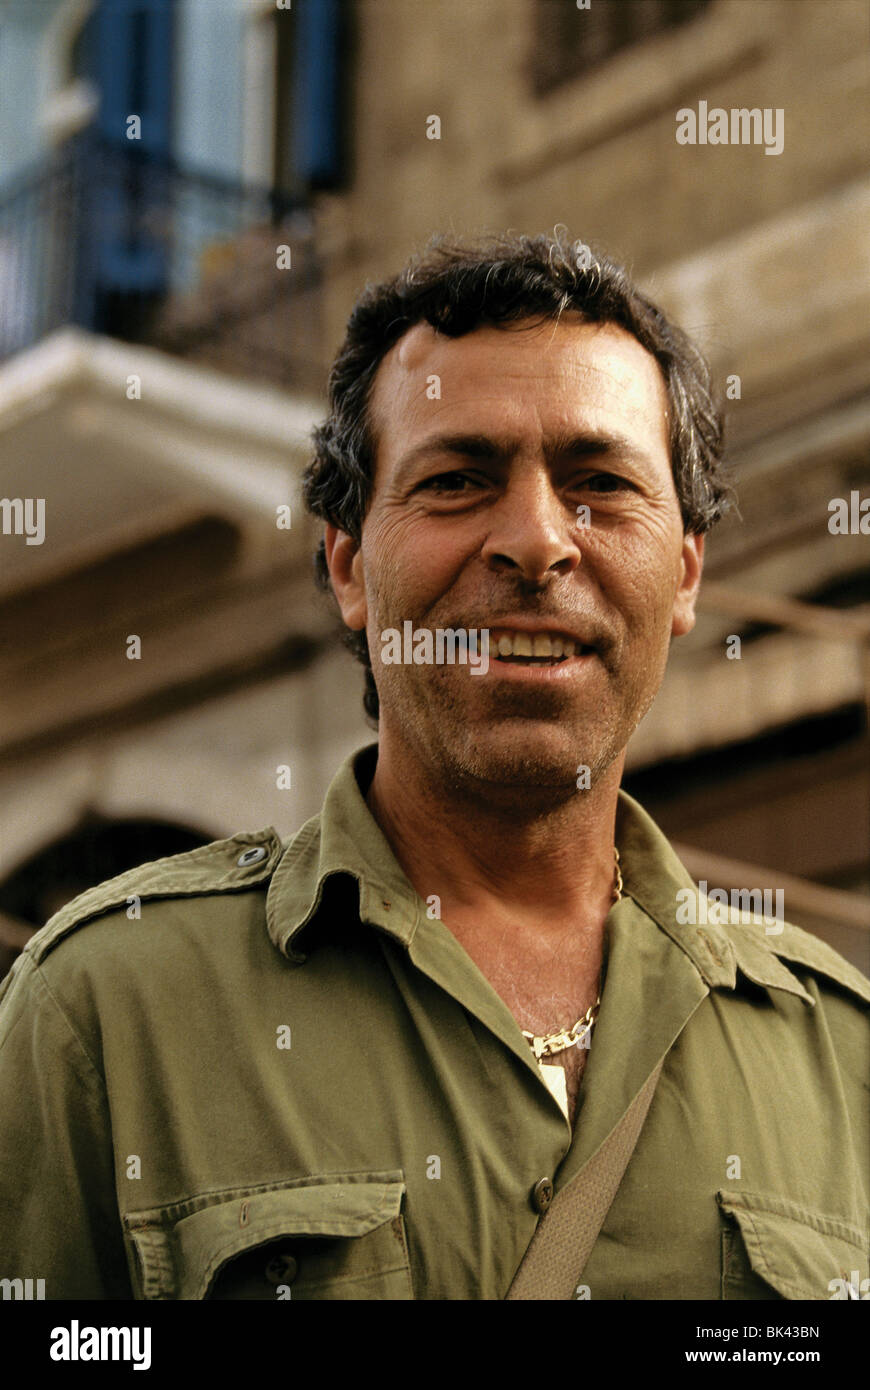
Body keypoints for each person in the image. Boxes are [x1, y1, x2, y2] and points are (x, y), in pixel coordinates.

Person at [0, 233, 866, 1302]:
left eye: (599, 481)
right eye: (458, 480)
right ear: (348, 563)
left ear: (686, 571)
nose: (538, 541)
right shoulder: (106, 1012)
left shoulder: (836, 1057)